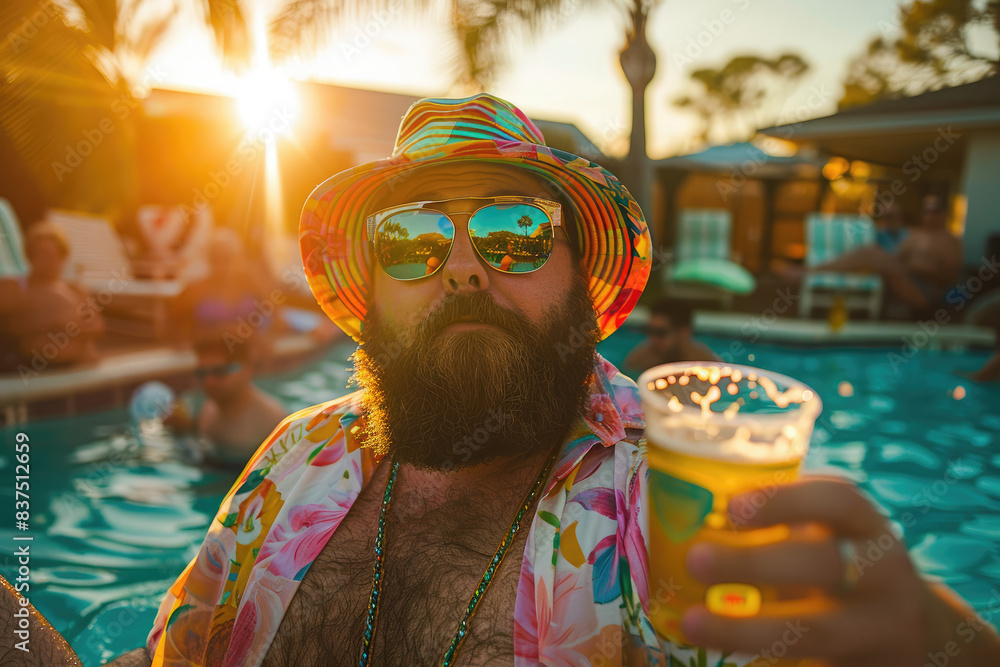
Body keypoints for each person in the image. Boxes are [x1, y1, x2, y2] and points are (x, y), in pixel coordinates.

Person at [3, 94, 998, 667]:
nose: (464, 267)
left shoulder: (675, 497)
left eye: (516, 232)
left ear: (582, 280)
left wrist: (940, 643)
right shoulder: (295, 455)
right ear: (372, 289)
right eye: (412, 238)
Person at [807, 194, 962, 313]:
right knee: (872, 253)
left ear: (944, 214)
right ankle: (813, 272)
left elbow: (950, 277)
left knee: (873, 254)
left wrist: (916, 268)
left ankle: (811, 271)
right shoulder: (915, 234)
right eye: (926, 211)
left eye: (935, 211)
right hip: (905, 278)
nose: (930, 216)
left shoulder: (949, 241)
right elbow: (898, 257)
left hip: (926, 292)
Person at [164, 337, 288, 467]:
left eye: (220, 371)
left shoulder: (272, 423)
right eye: (202, 373)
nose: (209, 381)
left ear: (246, 370)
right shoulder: (210, 407)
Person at [2, 222, 104, 367]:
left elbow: (97, 326)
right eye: (43, 254)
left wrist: (64, 326)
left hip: (74, 366)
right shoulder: (15, 287)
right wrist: (49, 324)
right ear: (30, 257)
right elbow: (7, 327)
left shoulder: (74, 289)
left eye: (55, 255)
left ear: (63, 257)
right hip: (28, 366)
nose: (50, 260)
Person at [169, 227, 276, 349]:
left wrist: (264, 336)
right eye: (216, 258)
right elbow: (173, 326)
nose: (223, 265)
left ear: (237, 258)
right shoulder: (195, 289)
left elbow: (275, 312)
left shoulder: (250, 283)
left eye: (228, 258)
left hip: (249, 349)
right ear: (209, 259)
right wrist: (221, 331)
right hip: (209, 350)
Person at [623, 298, 718, 377]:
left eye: (661, 333)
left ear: (683, 332)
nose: (653, 339)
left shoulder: (707, 366)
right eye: (649, 331)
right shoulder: (639, 361)